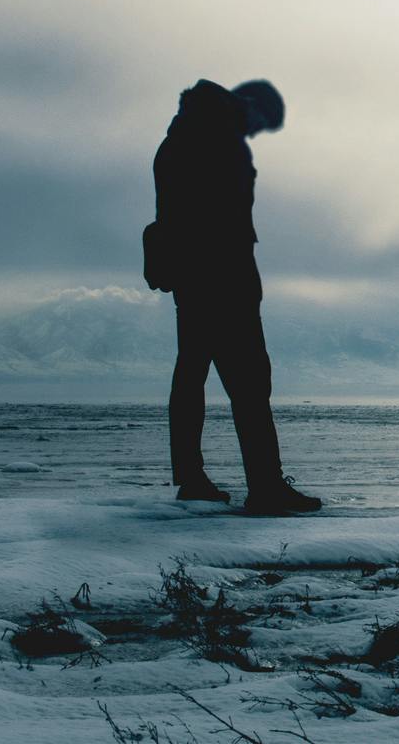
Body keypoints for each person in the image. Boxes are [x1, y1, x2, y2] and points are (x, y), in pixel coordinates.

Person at [148, 78, 321, 515]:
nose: (257, 132)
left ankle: (191, 478)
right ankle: (265, 487)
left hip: (192, 279)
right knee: (249, 385)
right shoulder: (220, 141)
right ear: (252, 106)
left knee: (191, 375)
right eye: (262, 123)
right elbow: (221, 221)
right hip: (222, 281)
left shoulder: (180, 136)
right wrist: (236, 278)